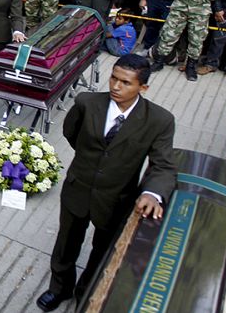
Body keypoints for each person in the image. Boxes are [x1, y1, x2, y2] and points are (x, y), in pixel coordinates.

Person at [36, 54, 175, 312]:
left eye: (125, 82)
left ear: (142, 88)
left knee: (103, 251)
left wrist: (153, 193)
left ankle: (87, 291)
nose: (115, 86)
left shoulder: (159, 120)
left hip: (116, 199)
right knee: (66, 243)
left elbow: (163, 164)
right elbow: (72, 133)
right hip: (78, 189)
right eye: (113, 77)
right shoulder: (87, 103)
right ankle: (59, 288)